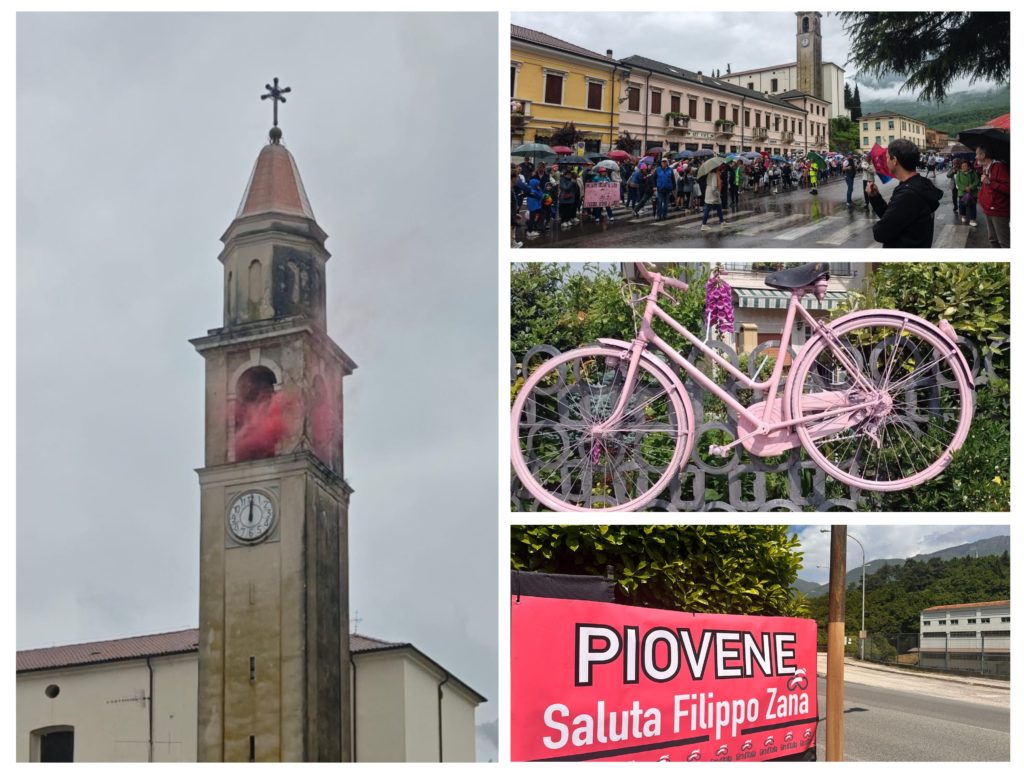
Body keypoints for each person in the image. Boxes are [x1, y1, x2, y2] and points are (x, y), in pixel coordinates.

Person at [865, 138, 943, 248]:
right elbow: (895, 219)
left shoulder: (908, 194)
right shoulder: (920, 184)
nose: (886, 161)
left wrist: (879, 227)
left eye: (887, 157)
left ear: (894, 160)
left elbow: (881, 233)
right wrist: (875, 198)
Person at [976, 145, 1010, 248]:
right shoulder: (986, 167)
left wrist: (990, 182)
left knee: (1004, 242)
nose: (976, 157)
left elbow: (1008, 188)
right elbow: (976, 165)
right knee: (993, 239)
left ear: (983, 155)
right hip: (988, 209)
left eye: (977, 154)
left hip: (998, 210)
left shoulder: (1000, 167)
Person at [954, 159, 980, 227]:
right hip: (962, 193)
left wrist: (971, 187)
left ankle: (972, 220)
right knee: (962, 205)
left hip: (973, 193)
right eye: (962, 166)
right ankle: (963, 215)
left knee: (973, 206)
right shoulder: (959, 173)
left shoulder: (973, 172)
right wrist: (964, 188)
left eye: (965, 166)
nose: (963, 167)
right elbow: (958, 182)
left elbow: (977, 181)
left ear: (968, 167)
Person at [700, 165, 727, 231]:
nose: (720, 167)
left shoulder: (709, 174)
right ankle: (704, 225)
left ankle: (722, 222)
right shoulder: (714, 175)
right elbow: (714, 188)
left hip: (709, 192)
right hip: (712, 194)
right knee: (707, 208)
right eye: (718, 167)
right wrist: (718, 194)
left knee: (719, 207)